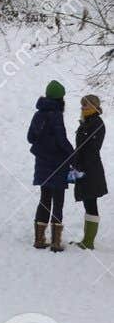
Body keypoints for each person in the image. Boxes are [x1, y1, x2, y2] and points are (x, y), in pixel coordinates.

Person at [29, 79, 75, 250]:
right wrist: (73, 154)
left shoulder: (38, 114)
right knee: (58, 201)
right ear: (60, 99)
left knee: (44, 199)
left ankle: (39, 239)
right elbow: (61, 140)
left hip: (42, 163)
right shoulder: (56, 115)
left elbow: (30, 138)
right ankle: (56, 242)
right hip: (57, 163)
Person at [73, 94, 106, 250]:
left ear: (94, 106)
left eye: (86, 105)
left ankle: (89, 241)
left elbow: (91, 149)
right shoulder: (86, 122)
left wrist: (79, 165)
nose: (83, 107)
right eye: (82, 104)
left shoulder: (97, 123)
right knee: (88, 202)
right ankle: (87, 240)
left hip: (90, 170)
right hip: (84, 168)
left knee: (91, 202)